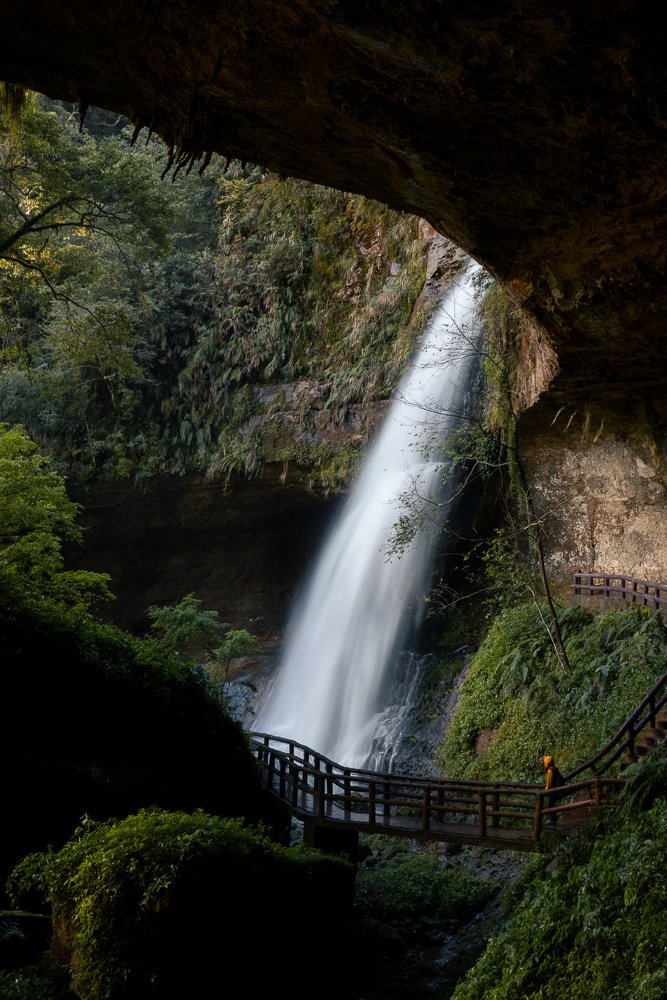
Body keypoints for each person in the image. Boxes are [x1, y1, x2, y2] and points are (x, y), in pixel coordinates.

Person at [542, 754, 565, 825]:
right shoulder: (554, 768)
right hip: (557, 790)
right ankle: (553, 820)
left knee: (549, 804)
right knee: (551, 804)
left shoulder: (550, 771)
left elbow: (549, 783)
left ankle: (552, 820)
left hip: (553, 791)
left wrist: (545, 791)